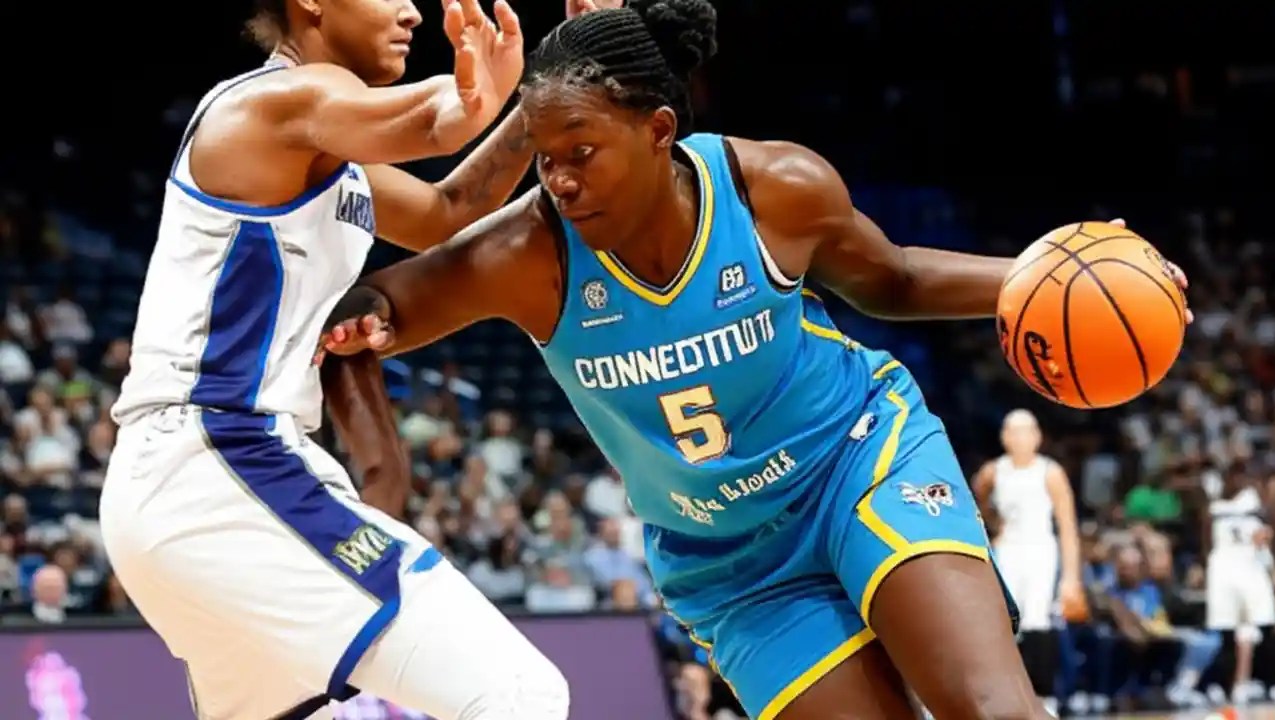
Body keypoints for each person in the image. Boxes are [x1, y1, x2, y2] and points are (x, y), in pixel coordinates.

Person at [317, 1, 1192, 717]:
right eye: (546, 161)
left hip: (856, 460)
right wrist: (361, 383)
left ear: (659, 130)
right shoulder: (528, 251)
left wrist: (1047, 274)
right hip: (725, 557)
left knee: (991, 708)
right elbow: (374, 307)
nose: (562, 181)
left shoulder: (772, 188)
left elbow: (887, 278)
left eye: (581, 153)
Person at [98, 0, 575, 718]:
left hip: (187, 491)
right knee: (518, 695)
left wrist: (547, 87)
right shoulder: (270, 105)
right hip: (217, 462)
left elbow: (450, 209)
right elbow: (439, 121)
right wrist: (485, 90)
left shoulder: (324, 144)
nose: (412, 11)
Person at [972, 409, 1085, 716]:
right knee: (1005, 625)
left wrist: (1071, 578)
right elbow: (975, 505)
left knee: (1038, 622)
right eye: (1013, 431)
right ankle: (1007, 699)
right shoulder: (992, 471)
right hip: (1007, 550)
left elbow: (1068, 527)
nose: (1020, 437)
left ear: (1037, 436)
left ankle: (1044, 699)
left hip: (1041, 551)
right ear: (1004, 437)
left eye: (1026, 431)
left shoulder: (1050, 472)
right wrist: (994, 525)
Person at [1204, 460, 1275, 704]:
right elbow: (1205, 535)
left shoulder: (1256, 498)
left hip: (1250, 566)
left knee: (1263, 628)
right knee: (1227, 632)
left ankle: (1269, 681)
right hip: (1224, 569)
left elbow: (1269, 528)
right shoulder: (1213, 501)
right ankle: (1229, 685)